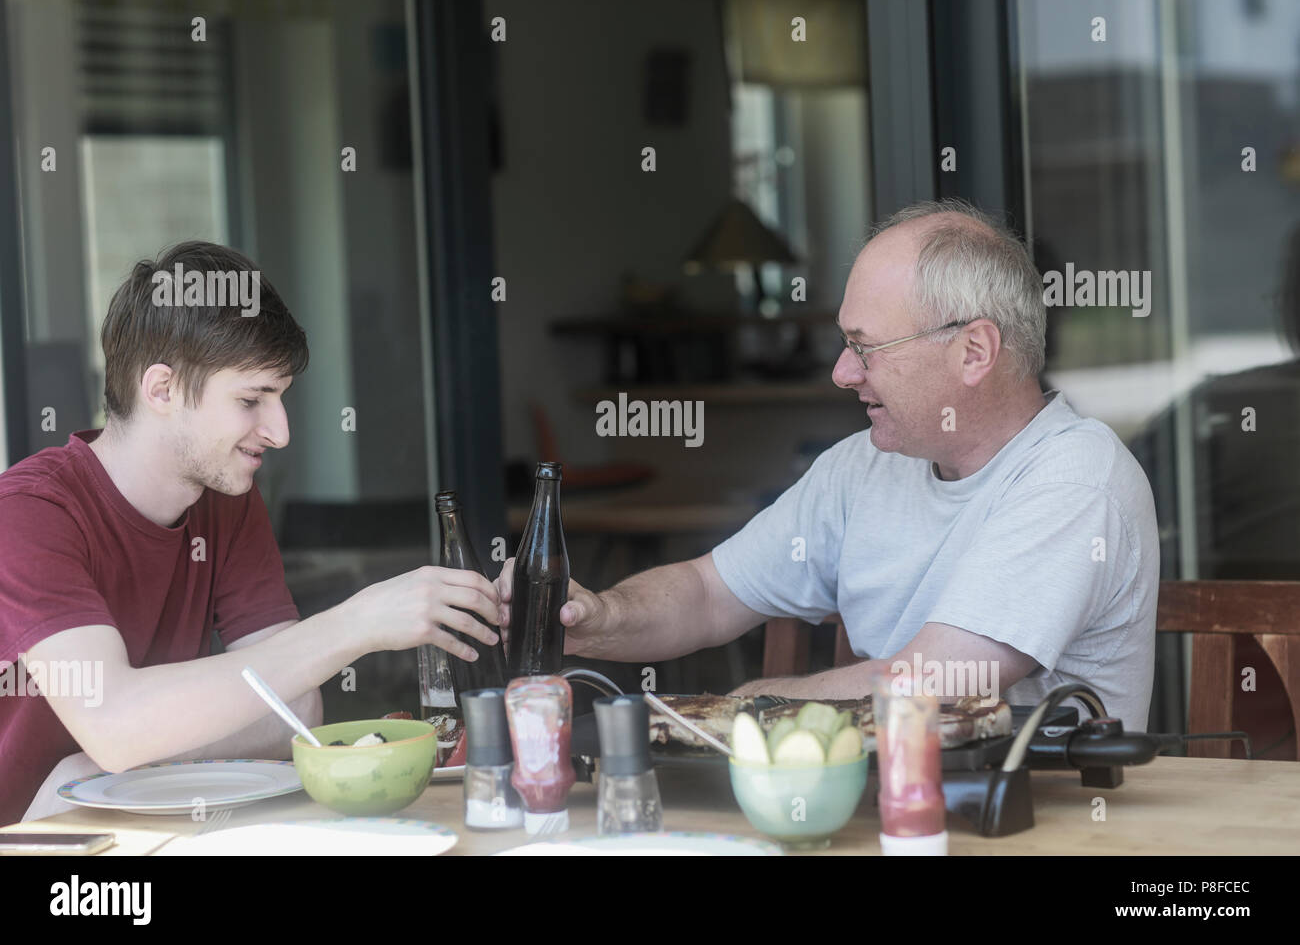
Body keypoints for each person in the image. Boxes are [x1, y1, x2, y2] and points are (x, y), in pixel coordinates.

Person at [498, 200, 1160, 731]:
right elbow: (707, 594)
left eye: (866, 348)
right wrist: (594, 615)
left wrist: (743, 708)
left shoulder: (1075, 478)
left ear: (974, 351)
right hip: (877, 812)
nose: (843, 374)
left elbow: (933, 686)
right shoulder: (863, 468)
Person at [0, 241, 504, 824]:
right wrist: (354, 624)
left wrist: (106, 766)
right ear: (161, 389)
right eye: (251, 399)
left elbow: (292, 708)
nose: (280, 431)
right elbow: (115, 721)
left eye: (280, 397)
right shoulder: (30, 513)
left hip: (140, 820)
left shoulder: (225, 499)